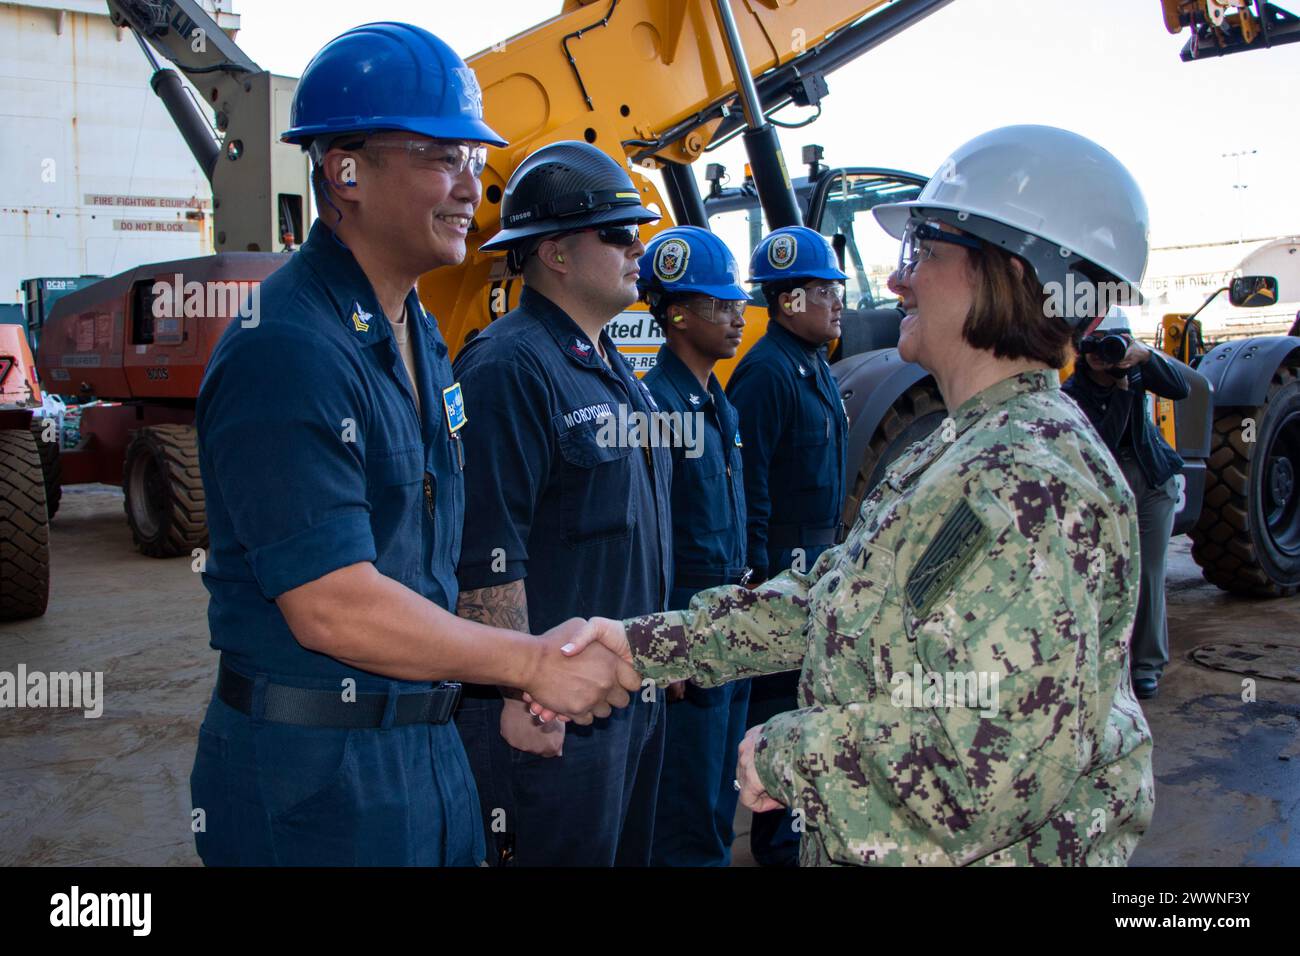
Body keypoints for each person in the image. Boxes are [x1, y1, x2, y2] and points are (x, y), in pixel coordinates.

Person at [545, 125, 1157, 866]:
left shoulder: (1028, 479)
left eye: (923, 253)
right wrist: (645, 646)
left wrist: (788, 750)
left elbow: (984, 761)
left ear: (1007, 274)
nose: (899, 281)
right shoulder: (963, 448)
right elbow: (838, 599)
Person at [189, 24, 638, 867]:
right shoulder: (286, 346)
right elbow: (331, 604)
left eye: (474, 158)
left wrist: (508, 682)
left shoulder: (419, 332)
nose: (473, 186)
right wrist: (530, 662)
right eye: (442, 157)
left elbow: (435, 551)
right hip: (317, 784)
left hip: (425, 756)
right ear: (343, 172)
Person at [451, 141, 673, 866]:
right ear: (555, 253)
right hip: (551, 717)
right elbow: (486, 552)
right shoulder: (508, 368)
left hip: (622, 704)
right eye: (618, 233)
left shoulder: (613, 369)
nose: (638, 248)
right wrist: (519, 692)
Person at [726, 223, 849, 866]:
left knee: (810, 709)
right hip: (783, 574)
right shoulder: (767, 374)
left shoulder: (813, 368)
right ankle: (779, 851)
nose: (837, 301)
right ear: (787, 301)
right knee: (781, 716)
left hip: (818, 567)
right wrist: (759, 581)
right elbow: (748, 487)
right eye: (824, 290)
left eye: (836, 289)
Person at [637, 227, 751, 866]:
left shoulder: (716, 402)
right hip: (689, 627)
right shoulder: (657, 406)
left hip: (729, 618)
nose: (737, 318)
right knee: (683, 810)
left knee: (716, 799)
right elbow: (650, 539)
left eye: (737, 304)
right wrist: (668, 642)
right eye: (720, 306)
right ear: (677, 314)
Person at [1063, 308, 1188, 699]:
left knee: (1148, 574)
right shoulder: (1071, 395)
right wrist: (1122, 390)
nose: (1104, 356)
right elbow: (1104, 440)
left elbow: (1181, 389)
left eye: (1113, 345)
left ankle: (1147, 666)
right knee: (1103, 577)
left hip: (1152, 481)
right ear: (1081, 352)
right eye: (1094, 348)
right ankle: (1103, 663)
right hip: (1105, 489)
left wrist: (1146, 358)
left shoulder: (1138, 370)